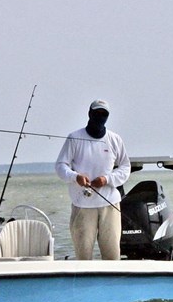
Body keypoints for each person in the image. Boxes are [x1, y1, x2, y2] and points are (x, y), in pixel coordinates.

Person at [55, 99, 130, 260]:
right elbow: (61, 166)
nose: (100, 117)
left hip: (110, 204)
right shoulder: (74, 138)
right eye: (97, 113)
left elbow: (125, 167)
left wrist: (106, 179)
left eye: (104, 114)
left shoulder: (114, 139)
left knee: (112, 257)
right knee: (83, 257)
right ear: (89, 114)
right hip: (82, 205)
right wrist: (76, 177)